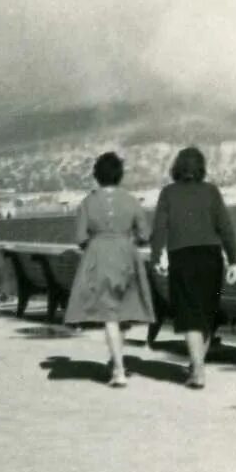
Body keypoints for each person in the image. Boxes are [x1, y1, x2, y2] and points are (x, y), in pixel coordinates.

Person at [149, 146, 236, 389]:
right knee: (207, 314)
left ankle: (197, 369)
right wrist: (233, 260)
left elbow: (159, 229)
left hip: (183, 257)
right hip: (211, 258)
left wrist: (157, 256)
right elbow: (226, 228)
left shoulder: (168, 193)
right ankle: (197, 364)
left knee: (190, 315)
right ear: (201, 168)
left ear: (177, 168)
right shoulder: (211, 191)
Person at [62, 152, 156, 387]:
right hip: (127, 257)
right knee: (119, 314)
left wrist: (97, 244)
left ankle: (119, 369)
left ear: (97, 176)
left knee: (111, 315)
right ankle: (117, 363)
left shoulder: (88, 202)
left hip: (100, 258)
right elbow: (145, 235)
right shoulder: (131, 200)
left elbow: (80, 238)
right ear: (120, 175)